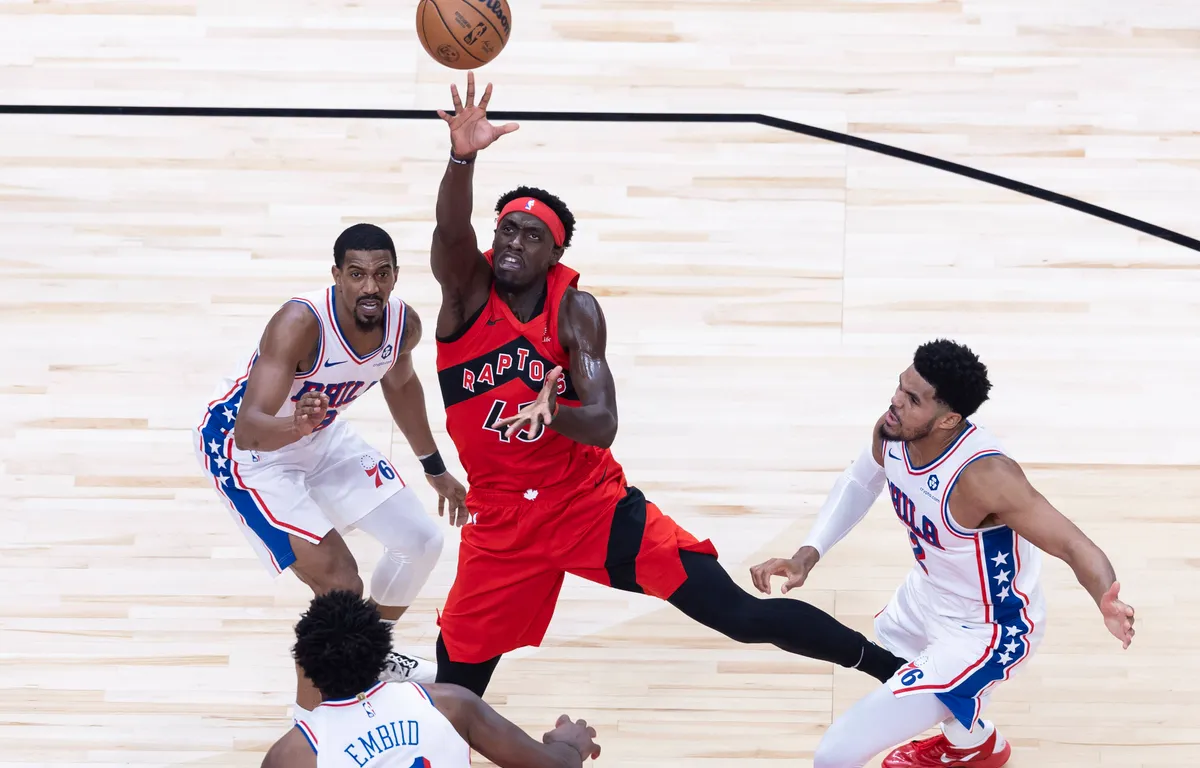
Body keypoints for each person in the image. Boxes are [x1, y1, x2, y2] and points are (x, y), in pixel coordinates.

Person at [422, 72, 907, 699]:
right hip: (502, 518)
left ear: (555, 252)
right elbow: (450, 229)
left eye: (531, 235)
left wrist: (552, 414)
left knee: (737, 615)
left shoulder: (575, 312)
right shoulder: (466, 292)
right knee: (459, 675)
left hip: (586, 504)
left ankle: (893, 671)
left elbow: (602, 422)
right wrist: (462, 158)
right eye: (507, 230)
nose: (513, 242)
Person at [750, 339, 1136, 768]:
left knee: (835, 753)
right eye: (900, 386)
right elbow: (861, 481)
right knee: (898, 660)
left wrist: (1106, 596)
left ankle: (969, 735)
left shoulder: (985, 476)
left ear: (949, 418)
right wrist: (807, 554)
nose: (895, 402)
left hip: (987, 629)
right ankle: (973, 744)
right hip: (924, 599)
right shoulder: (894, 429)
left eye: (912, 399)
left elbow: (1073, 543)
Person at [194, 223, 471, 720]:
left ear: (395, 277)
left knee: (421, 541)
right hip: (247, 455)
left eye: (381, 274)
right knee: (341, 583)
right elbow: (248, 429)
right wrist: (297, 429)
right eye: (358, 274)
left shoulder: (401, 324)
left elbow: (401, 384)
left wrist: (433, 467)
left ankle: (370, 652)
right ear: (337, 277)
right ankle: (309, 724)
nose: (371, 286)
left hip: (316, 434)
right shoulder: (300, 323)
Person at [262, 590, 603, 768]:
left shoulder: (292, 754)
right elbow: (558, 766)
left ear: (306, 669)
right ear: (384, 654)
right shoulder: (451, 703)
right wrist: (570, 745)